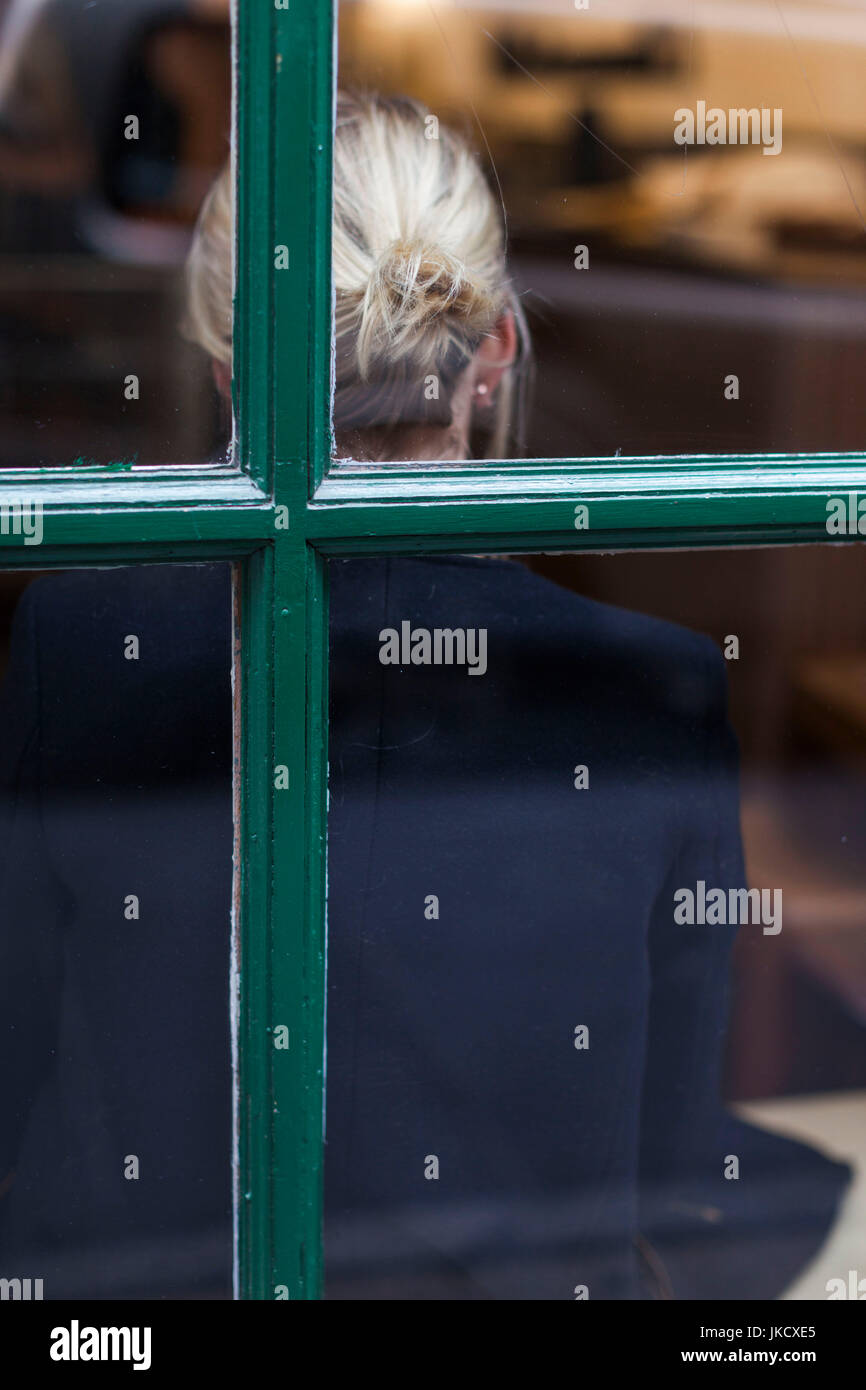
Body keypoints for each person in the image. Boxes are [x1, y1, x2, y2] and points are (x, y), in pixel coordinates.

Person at [0, 92, 850, 1300]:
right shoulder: (645, 691)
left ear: (224, 364)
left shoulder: (78, 639)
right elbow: (668, 1152)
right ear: (494, 351)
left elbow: (17, 1051)